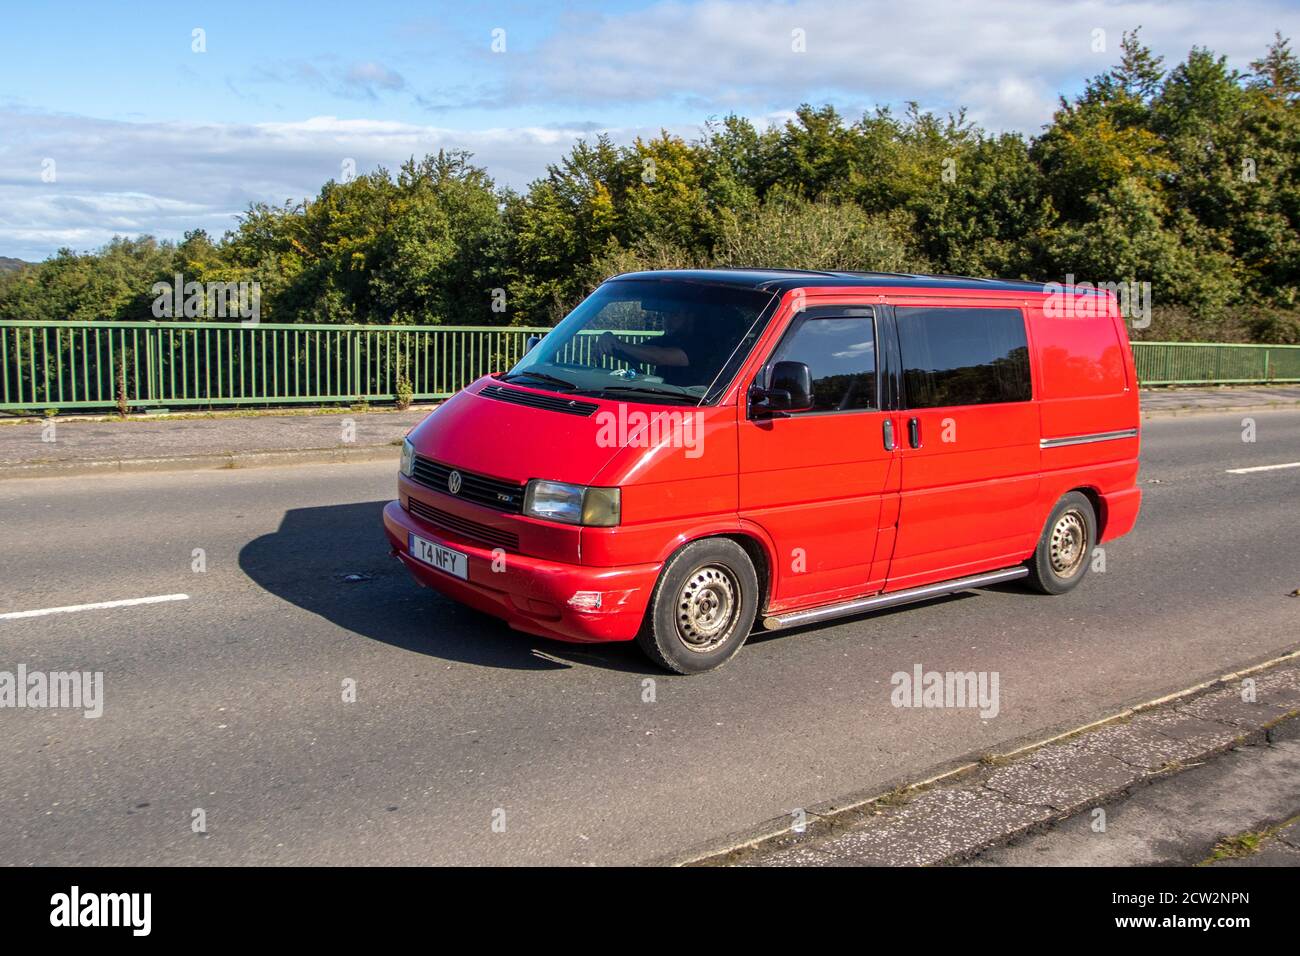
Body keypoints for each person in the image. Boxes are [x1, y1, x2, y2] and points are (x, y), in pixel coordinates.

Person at [593, 304, 710, 388]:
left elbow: (659, 357)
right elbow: (635, 352)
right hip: (659, 396)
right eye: (665, 316)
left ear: (690, 318)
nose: (667, 321)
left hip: (692, 403)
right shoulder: (665, 340)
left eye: (674, 315)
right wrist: (608, 341)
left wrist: (619, 344)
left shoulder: (702, 344)